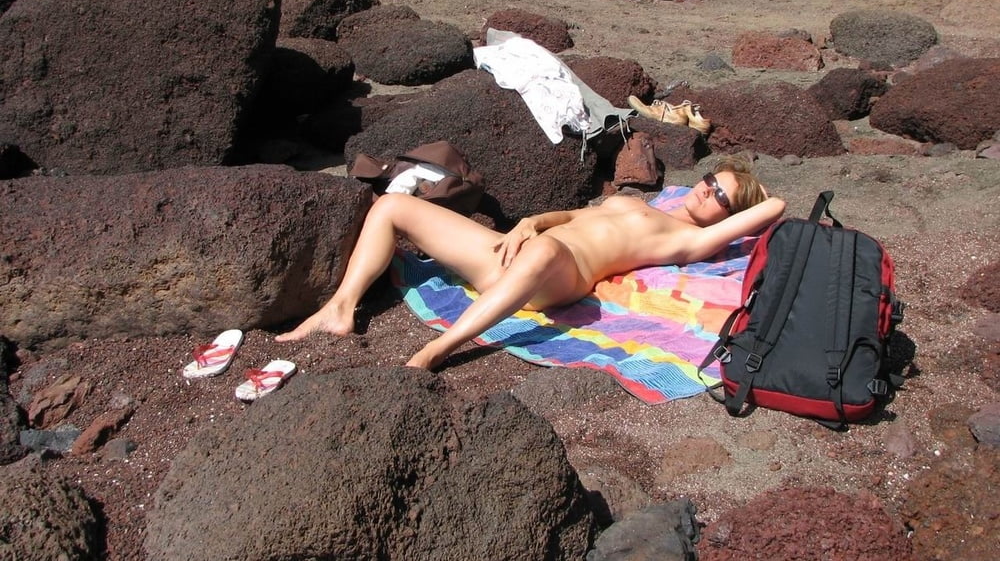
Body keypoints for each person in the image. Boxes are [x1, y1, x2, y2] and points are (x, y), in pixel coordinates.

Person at [276, 158, 786, 370]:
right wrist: (531, 221)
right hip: (515, 252)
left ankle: (437, 349)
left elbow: (775, 207)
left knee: (545, 251)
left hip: (560, 275)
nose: (707, 190)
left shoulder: (689, 241)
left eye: (721, 195)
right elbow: (574, 215)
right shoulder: (646, 203)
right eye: (710, 180)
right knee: (393, 206)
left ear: (730, 216)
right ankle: (341, 308)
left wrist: (751, 194)